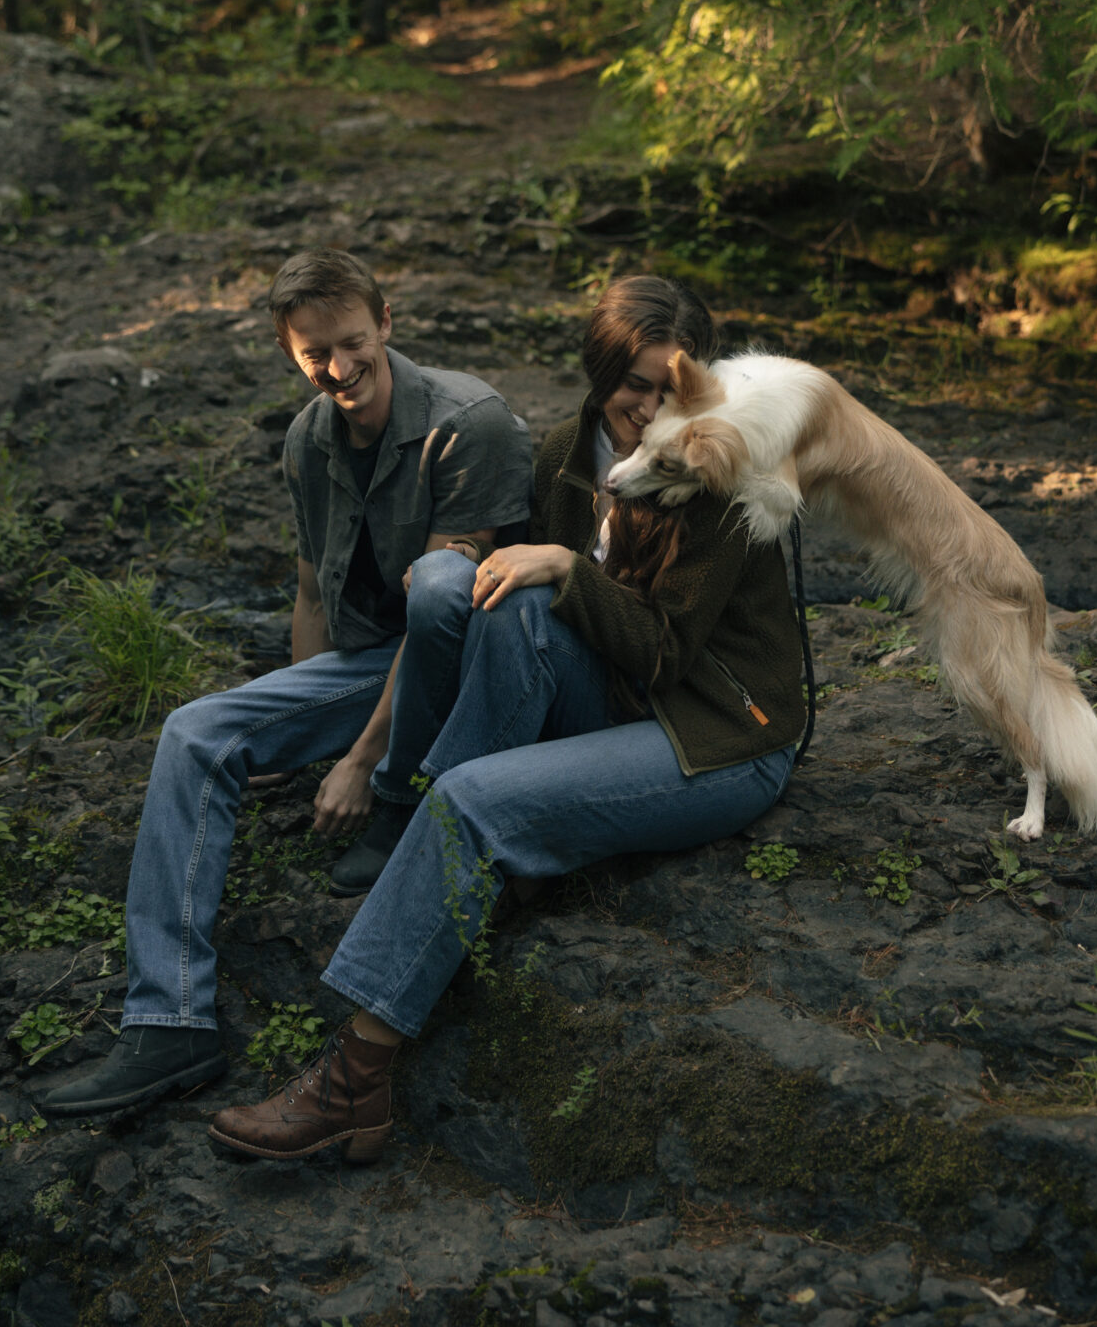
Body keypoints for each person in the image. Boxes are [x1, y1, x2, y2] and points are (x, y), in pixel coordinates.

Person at [200, 275, 807, 1163]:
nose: (651, 408)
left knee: (474, 800)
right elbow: (526, 619)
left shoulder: (721, 467)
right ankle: (458, 852)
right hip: (610, 704)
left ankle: (355, 1081)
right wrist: (489, 568)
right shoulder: (566, 450)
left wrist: (566, 564)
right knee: (504, 597)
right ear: (600, 371)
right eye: (634, 384)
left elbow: (666, 653)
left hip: (716, 733)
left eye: (670, 387)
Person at [42, 248, 531, 1117]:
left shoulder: (468, 423)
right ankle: (169, 1021)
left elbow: (445, 617)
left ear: (385, 322)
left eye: (352, 342)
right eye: (315, 353)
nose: (338, 368)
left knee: (438, 588)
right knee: (193, 732)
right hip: (371, 664)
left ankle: (398, 794)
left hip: (470, 662)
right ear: (286, 348)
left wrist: (360, 760)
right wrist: (303, 724)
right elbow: (312, 592)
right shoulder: (309, 439)